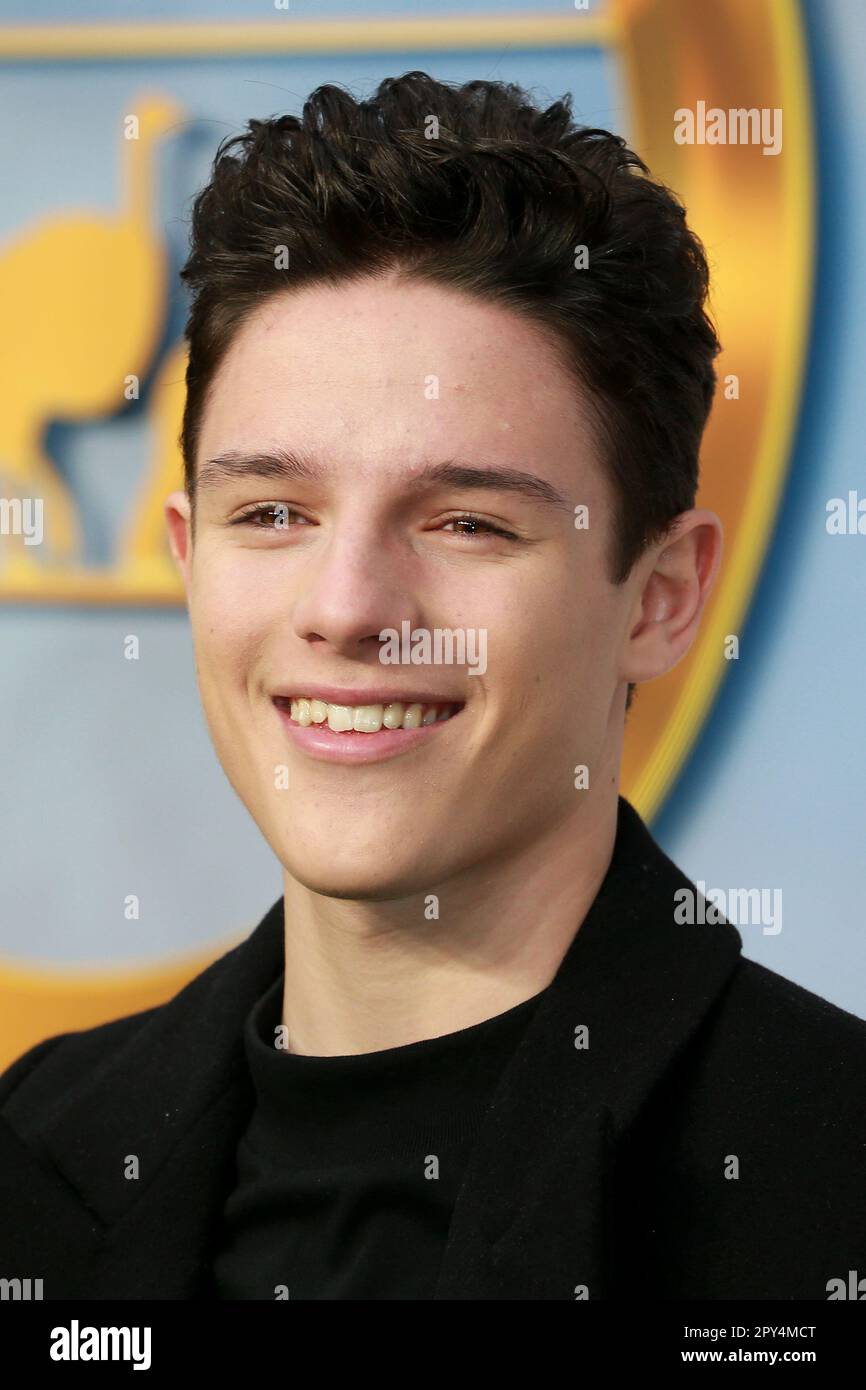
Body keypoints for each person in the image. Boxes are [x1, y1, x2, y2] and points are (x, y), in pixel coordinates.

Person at [1, 72, 864, 1301]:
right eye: (274, 513)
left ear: (661, 596)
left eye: (465, 522)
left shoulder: (826, 1181)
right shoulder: (37, 1149)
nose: (347, 607)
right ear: (190, 560)